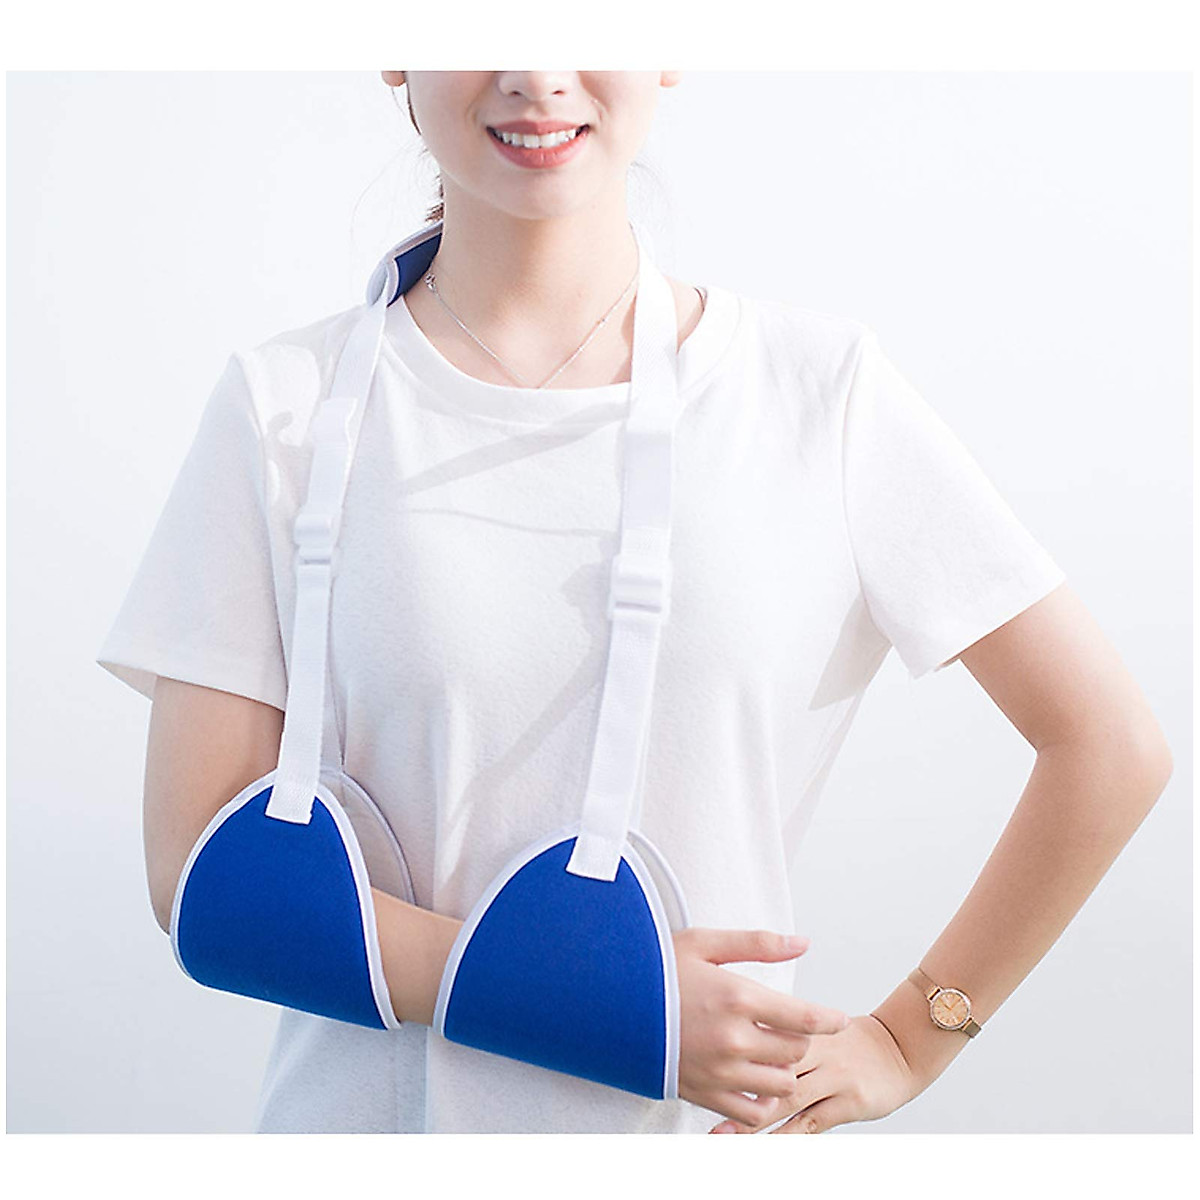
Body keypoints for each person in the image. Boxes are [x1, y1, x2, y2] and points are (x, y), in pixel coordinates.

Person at [95, 70, 1173, 1135]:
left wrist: (911, 1037)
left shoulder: (816, 393)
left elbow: (1110, 748)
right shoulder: (285, 405)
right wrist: (615, 1009)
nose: (536, 74)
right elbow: (208, 889)